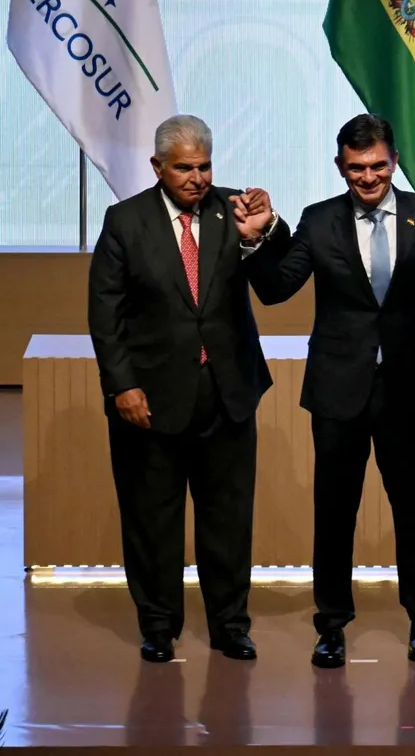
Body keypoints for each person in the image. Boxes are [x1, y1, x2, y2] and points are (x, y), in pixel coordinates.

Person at [245, 114, 415, 668]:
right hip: (338, 390)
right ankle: (331, 626)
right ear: (340, 166)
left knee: (414, 508)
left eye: (378, 166)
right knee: (335, 511)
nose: (368, 177)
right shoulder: (318, 221)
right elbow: (275, 290)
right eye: (356, 168)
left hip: (407, 391)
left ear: (393, 162)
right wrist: (256, 242)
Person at [87, 114, 278, 663]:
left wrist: (262, 232)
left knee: (228, 518)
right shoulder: (125, 222)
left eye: (205, 166)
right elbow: (105, 313)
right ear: (157, 167)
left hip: (227, 393)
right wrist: (121, 386)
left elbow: (278, 272)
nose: (197, 177)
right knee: (153, 518)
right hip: (150, 399)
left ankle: (230, 626)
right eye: (184, 168)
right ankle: (158, 626)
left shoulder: (235, 209)